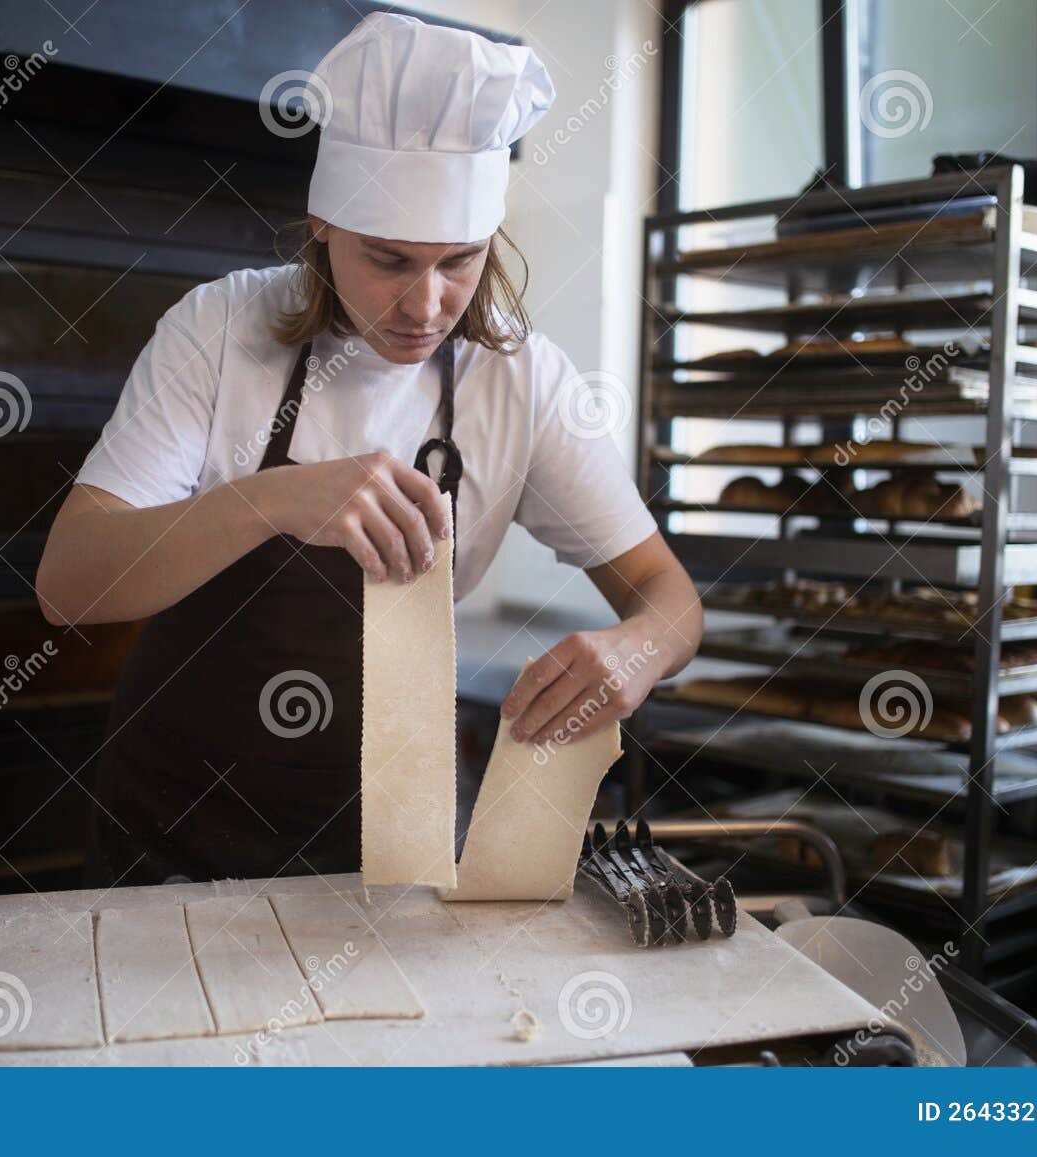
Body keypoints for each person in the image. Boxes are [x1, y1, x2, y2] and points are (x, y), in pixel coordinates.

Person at [37, 12, 703, 886]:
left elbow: (674, 601)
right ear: (322, 224)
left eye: (459, 262)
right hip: (176, 832)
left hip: (388, 847)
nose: (427, 305)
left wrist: (638, 649)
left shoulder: (524, 381)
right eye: (389, 260)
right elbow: (69, 584)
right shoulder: (218, 331)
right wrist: (271, 499)